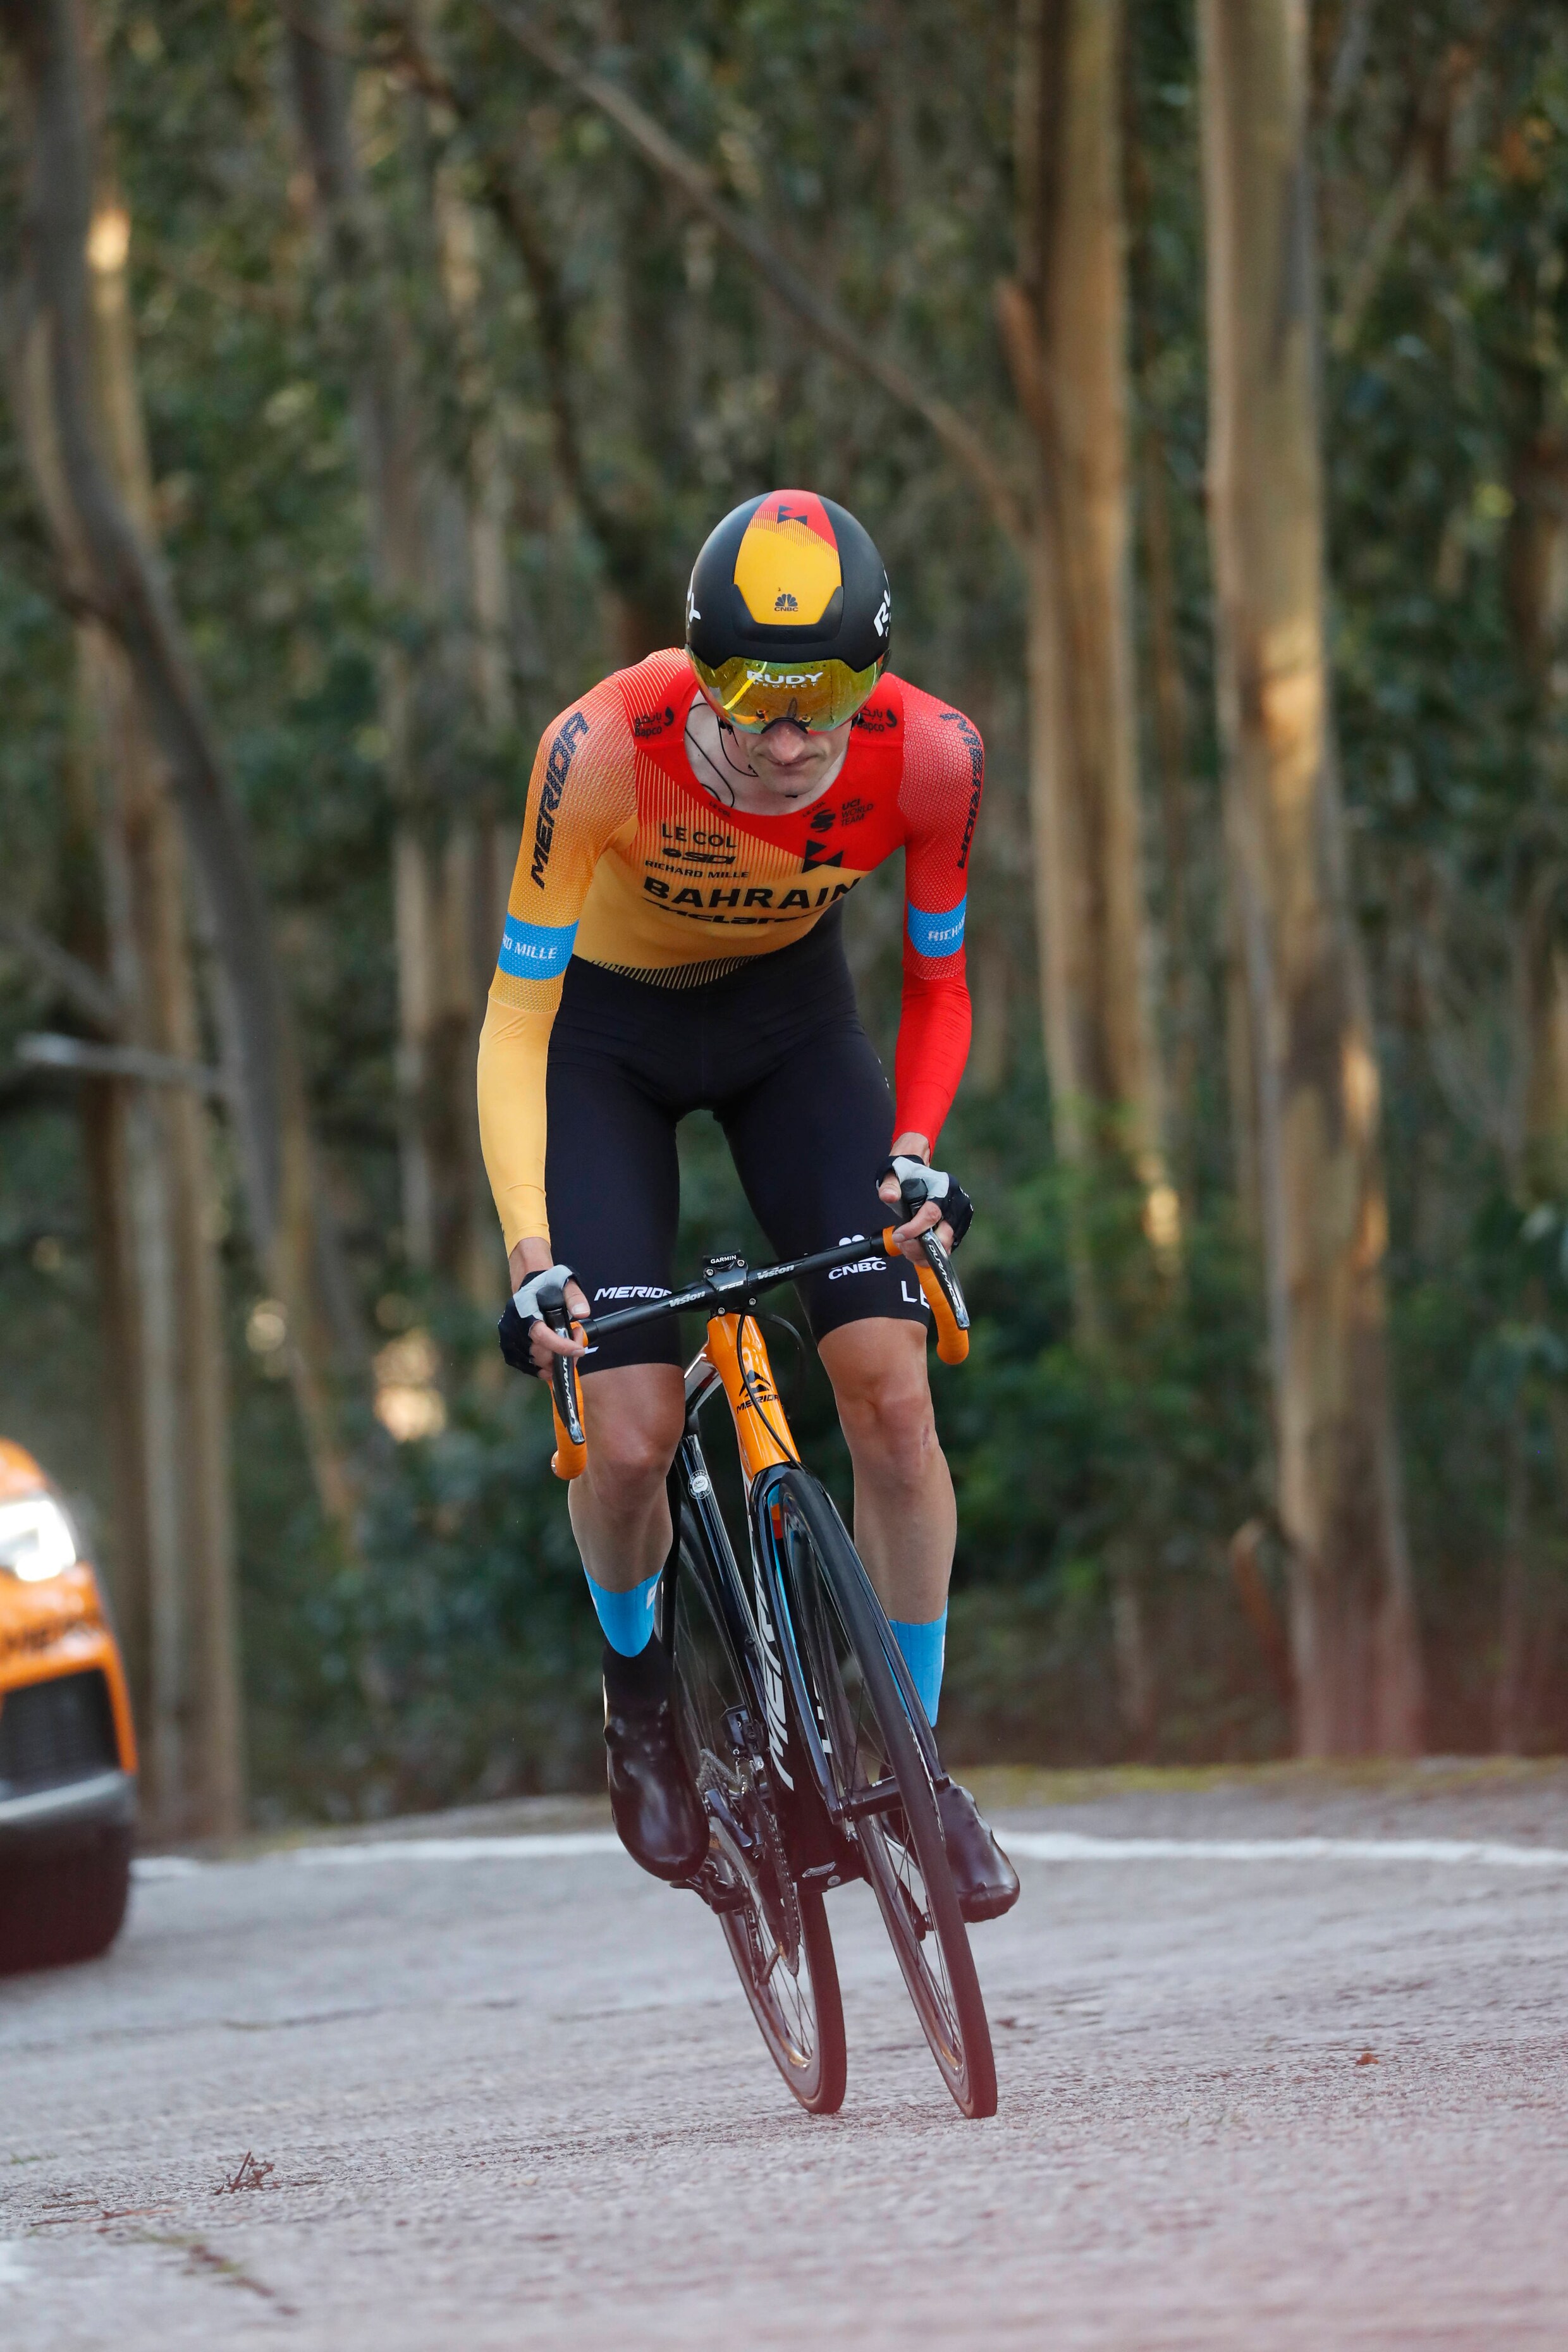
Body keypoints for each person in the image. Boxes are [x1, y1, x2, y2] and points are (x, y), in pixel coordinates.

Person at [477, 489, 1018, 1923]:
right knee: (634, 1435)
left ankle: (916, 1762)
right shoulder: (599, 751)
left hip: (792, 1029)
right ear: (702, 675)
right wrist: (534, 1257)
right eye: (759, 705)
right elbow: (516, 1025)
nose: (793, 742)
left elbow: (939, 984)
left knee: (891, 1393)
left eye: (828, 701)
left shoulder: (931, 757)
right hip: (602, 1045)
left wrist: (911, 1153)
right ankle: (639, 1692)